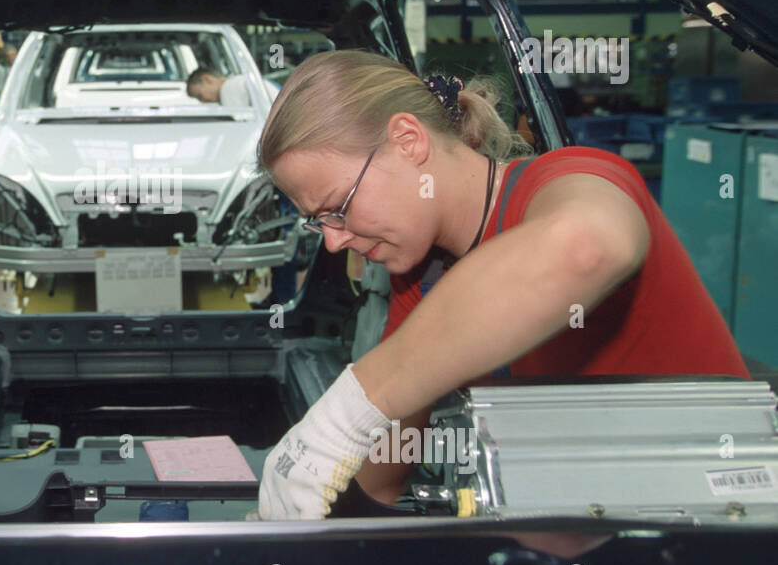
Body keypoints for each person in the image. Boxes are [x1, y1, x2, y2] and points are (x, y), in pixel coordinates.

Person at [253, 49, 750, 520]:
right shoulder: (422, 276)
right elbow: (386, 469)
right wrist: (301, 504)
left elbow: (586, 248)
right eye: (319, 222)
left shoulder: (574, 177)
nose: (335, 242)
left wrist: (348, 409)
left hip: (716, 536)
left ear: (408, 140)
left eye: (338, 208)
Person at [186, 68, 251, 106]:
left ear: (207, 79)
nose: (202, 102)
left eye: (199, 96)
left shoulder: (227, 90)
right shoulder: (239, 80)